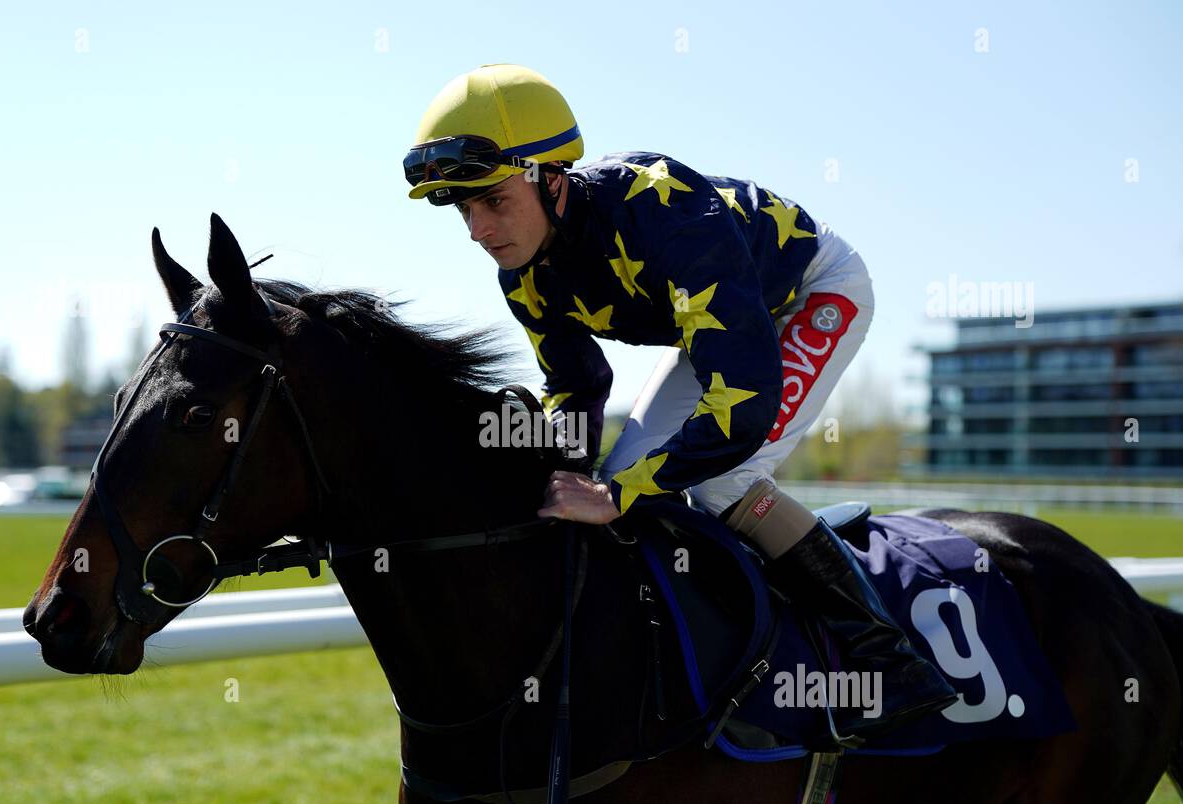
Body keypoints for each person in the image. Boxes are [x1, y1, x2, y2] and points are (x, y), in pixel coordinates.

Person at [402, 63, 957, 745]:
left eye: (491, 200)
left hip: (812, 291)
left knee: (717, 476)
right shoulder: (523, 275)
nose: (477, 230)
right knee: (630, 477)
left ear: (549, 174)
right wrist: (549, 474)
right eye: (462, 208)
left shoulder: (661, 210)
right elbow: (577, 391)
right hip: (720, 327)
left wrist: (615, 491)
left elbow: (743, 410)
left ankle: (890, 662)